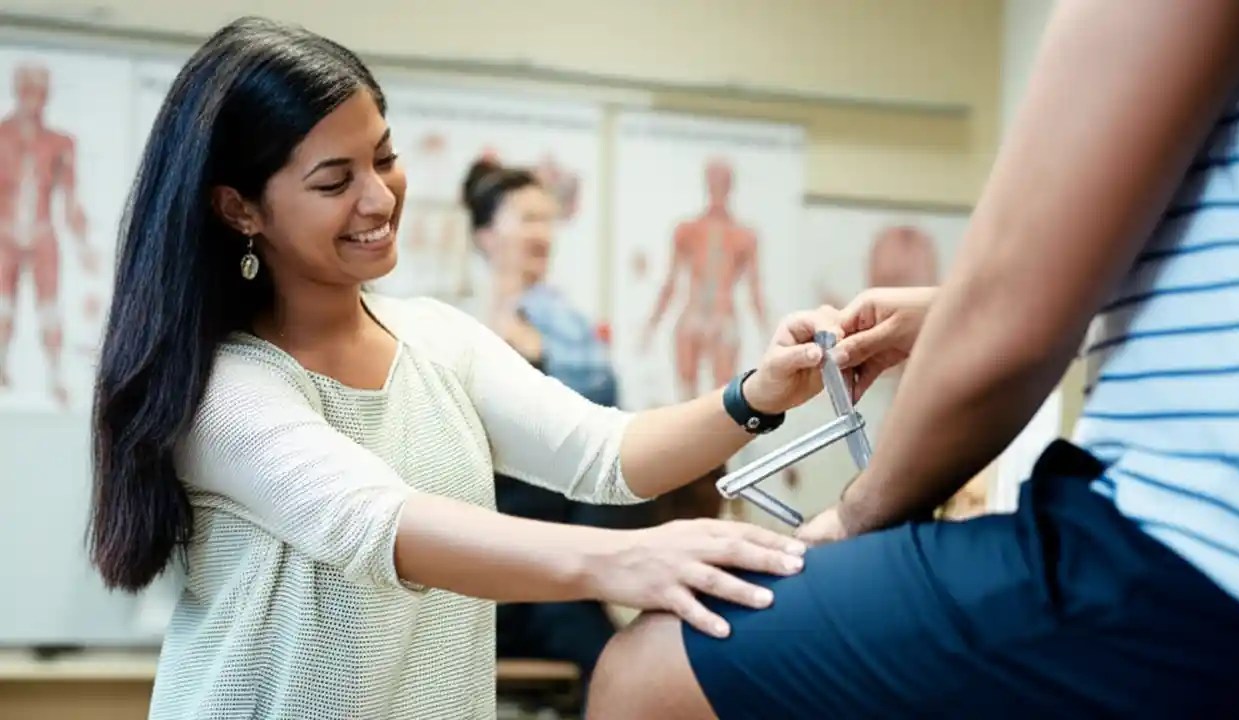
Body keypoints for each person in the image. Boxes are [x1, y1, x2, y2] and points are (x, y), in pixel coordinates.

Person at [85, 17, 858, 720]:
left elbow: (607, 456)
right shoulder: (223, 392)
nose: (379, 196)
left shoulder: (437, 339)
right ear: (239, 209)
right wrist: (625, 562)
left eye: (384, 157)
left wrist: (757, 395)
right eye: (334, 180)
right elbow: (385, 526)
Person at [586, 1, 1239, 717]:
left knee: (652, 664)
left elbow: (1011, 309)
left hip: (1198, 565)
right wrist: (952, 315)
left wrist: (854, 518)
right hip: (1226, 566)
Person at [460, 157, 656, 686]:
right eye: (526, 218)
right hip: (479, 564)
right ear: (485, 233)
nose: (541, 233)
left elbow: (603, 422)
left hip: (555, 562)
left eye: (547, 220)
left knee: (622, 672)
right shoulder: (454, 331)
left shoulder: (567, 332)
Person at [0, 63, 97, 407]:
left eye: (40, 92)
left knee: (49, 308)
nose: (34, 99)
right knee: (3, 305)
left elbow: (71, 200)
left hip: (42, 233)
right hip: (4, 233)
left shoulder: (59, 143)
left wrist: (84, 244)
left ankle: (55, 374)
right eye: (28, 90)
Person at [640, 158, 770, 400]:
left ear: (731, 186)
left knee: (722, 395)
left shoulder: (744, 236)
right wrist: (651, 325)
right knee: (687, 392)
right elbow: (671, 282)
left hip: (723, 317)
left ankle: (716, 435)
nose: (718, 186)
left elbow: (755, 291)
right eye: (714, 180)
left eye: (723, 181)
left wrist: (768, 334)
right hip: (693, 314)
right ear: (706, 184)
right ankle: (688, 437)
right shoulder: (687, 230)